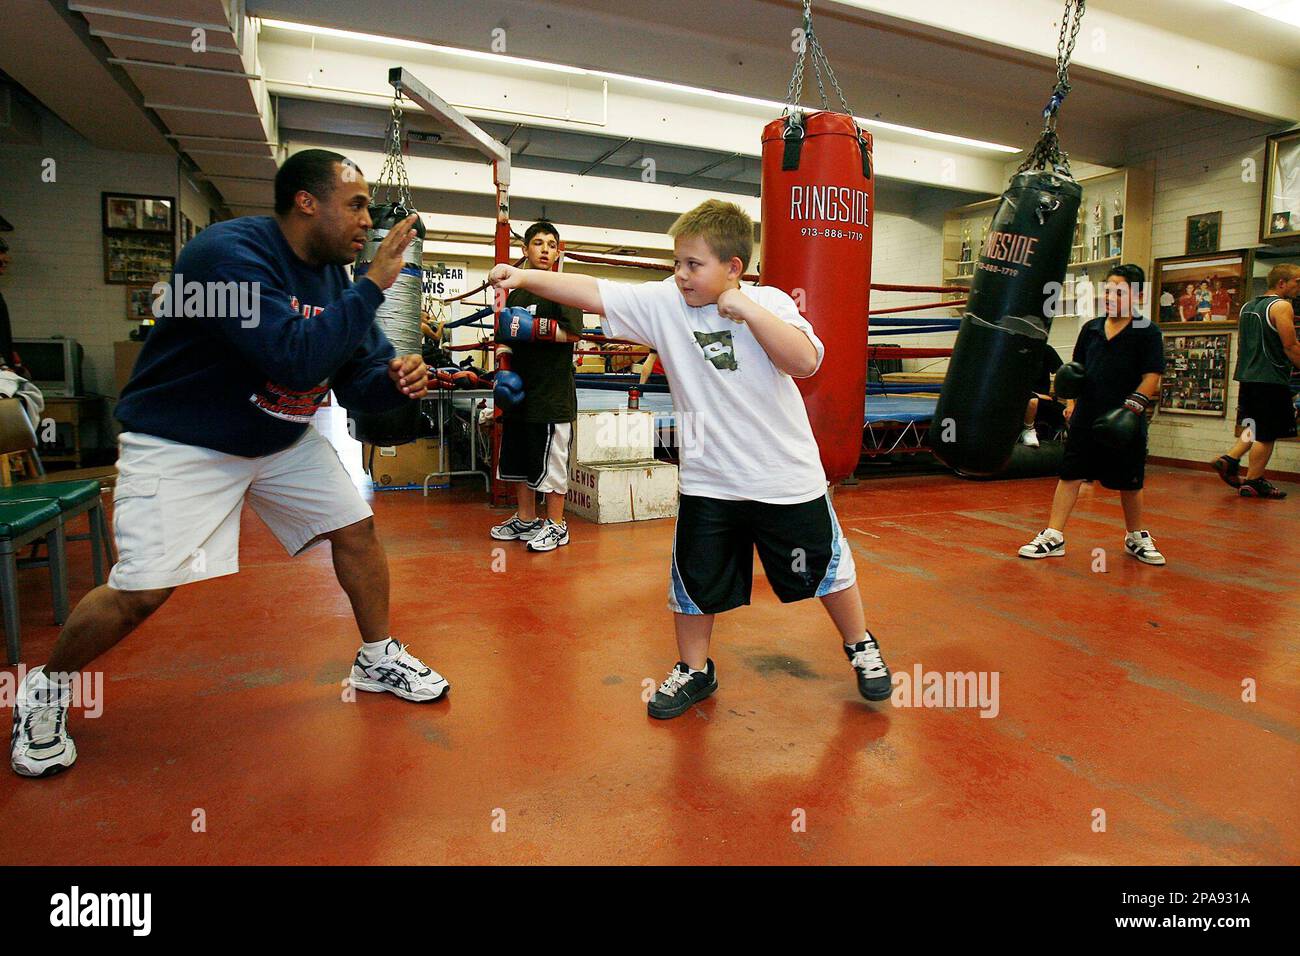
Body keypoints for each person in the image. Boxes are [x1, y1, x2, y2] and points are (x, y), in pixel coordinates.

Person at [11, 149, 448, 779]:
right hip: (185, 438)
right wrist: (373, 285)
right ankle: (46, 690)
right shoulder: (222, 259)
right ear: (305, 201)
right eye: (354, 205)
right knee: (143, 590)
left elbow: (353, 379)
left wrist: (396, 380)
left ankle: (377, 656)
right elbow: (293, 358)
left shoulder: (332, 277)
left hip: (279, 438)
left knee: (356, 530)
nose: (365, 223)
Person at [488, 199, 893, 719]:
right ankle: (695, 669)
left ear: (733, 269)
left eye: (693, 265)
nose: (680, 275)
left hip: (784, 476)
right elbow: (591, 293)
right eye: (677, 263)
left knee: (827, 569)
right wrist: (521, 275)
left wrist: (747, 309)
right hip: (709, 480)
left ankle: (860, 644)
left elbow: (806, 361)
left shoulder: (771, 302)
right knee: (694, 582)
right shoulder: (665, 303)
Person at [1019, 264, 1167, 565]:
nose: (1110, 296)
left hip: (1125, 417)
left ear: (1137, 294)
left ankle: (1136, 536)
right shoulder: (1092, 329)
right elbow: (1077, 370)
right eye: (1108, 290)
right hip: (1087, 415)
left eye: (1119, 291)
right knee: (1070, 474)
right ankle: (1054, 535)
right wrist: (1071, 402)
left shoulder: (1147, 332)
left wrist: (1132, 409)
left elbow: (1153, 376)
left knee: (1130, 481)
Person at [489, 221, 584, 553]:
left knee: (552, 463)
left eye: (552, 244)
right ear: (525, 250)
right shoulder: (516, 292)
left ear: (558, 251)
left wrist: (534, 329)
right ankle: (527, 518)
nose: (546, 249)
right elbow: (503, 336)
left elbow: (574, 333)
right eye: (539, 243)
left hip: (552, 395)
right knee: (521, 460)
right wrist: (502, 371)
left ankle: (557, 526)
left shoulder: (564, 287)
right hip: (520, 393)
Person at [1211, 263, 1300, 499]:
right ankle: (1254, 480)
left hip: (1248, 378)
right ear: (1282, 283)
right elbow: (1290, 345)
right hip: (1270, 378)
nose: (1298, 287)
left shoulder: (1247, 306)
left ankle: (1229, 459)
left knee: (1253, 426)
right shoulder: (1281, 306)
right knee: (1266, 434)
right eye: (1297, 282)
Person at [1019, 343, 1064, 447]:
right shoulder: (1013, 351)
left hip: (1044, 400)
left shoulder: (1046, 349)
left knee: (1067, 413)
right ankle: (1028, 429)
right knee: (1032, 401)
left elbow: (1062, 373)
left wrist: (1070, 404)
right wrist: (1035, 394)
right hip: (1023, 397)